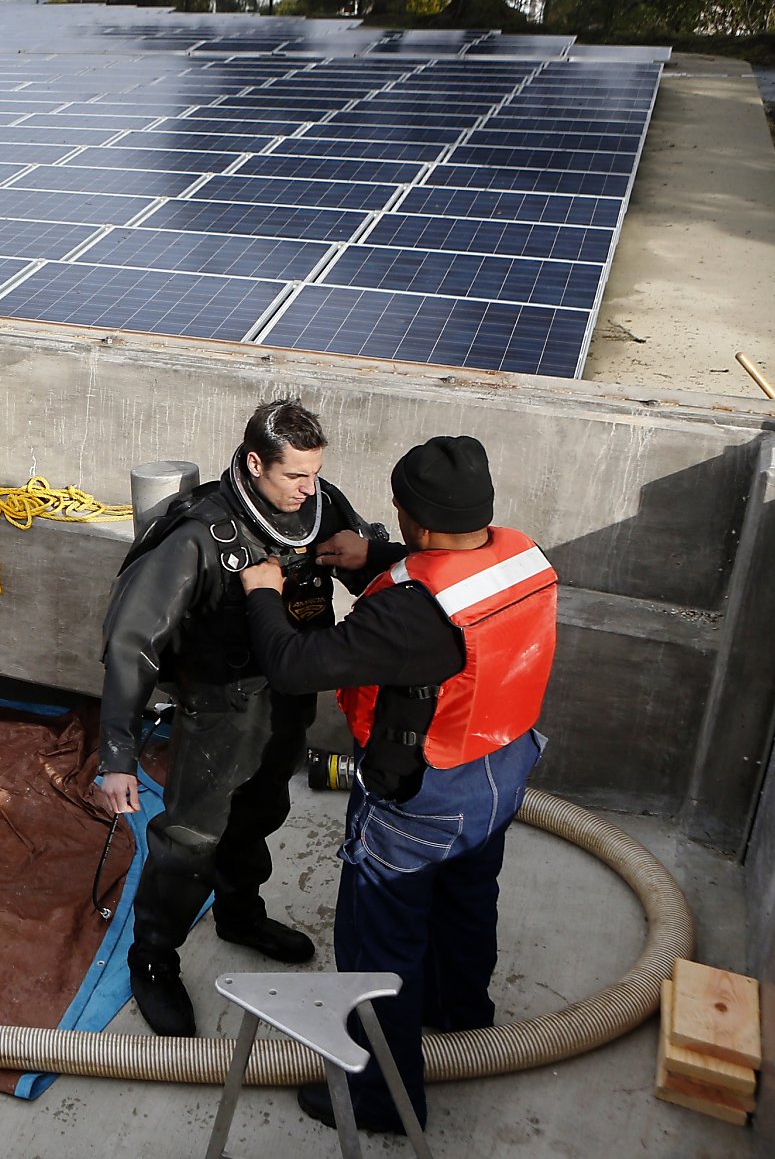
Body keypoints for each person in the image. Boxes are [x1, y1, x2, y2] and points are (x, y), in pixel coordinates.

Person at [238, 434, 556, 1137]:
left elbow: (295, 664)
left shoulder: (412, 615)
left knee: (379, 945)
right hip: (501, 771)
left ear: (417, 521)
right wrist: (374, 556)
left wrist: (263, 595)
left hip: (425, 797)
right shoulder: (521, 554)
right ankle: (459, 1014)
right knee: (467, 899)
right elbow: (453, 584)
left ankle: (379, 1099)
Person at [94, 397, 369, 1036]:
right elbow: (131, 645)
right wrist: (118, 757)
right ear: (254, 463)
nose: (308, 488)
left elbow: (363, 570)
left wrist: (372, 555)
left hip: (287, 702)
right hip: (221, 712)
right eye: (294, 475)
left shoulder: (321, 507)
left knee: (259, 815)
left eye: (315, 473)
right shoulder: (199, 535)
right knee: (191, 839)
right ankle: (152, 958)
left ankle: (239, 915)